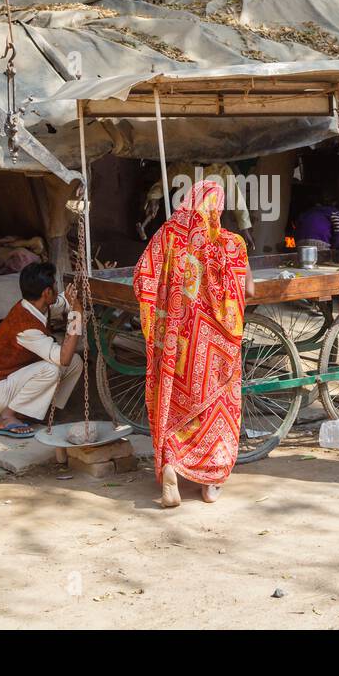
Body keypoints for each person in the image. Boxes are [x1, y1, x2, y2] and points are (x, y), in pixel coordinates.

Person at [134, 179, 255, 508]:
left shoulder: (167, 235)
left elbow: (143, 276)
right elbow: (249, 291)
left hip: (178, 345)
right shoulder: (232, 244)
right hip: (219, 348)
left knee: (174, 406)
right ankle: (211, 481)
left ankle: (172, 466)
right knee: (218, 409)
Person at [0, 261, 83, 437]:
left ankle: (43, 411)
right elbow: (63, 358)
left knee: (75, 362)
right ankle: (6, 416)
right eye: (55, 286)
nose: (57, 290)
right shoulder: (25, 326)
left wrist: (75, 294)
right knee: (51, 369)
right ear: (47, 293)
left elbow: (62, 302)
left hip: (15, 379)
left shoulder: (37, 304)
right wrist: (77, 315)